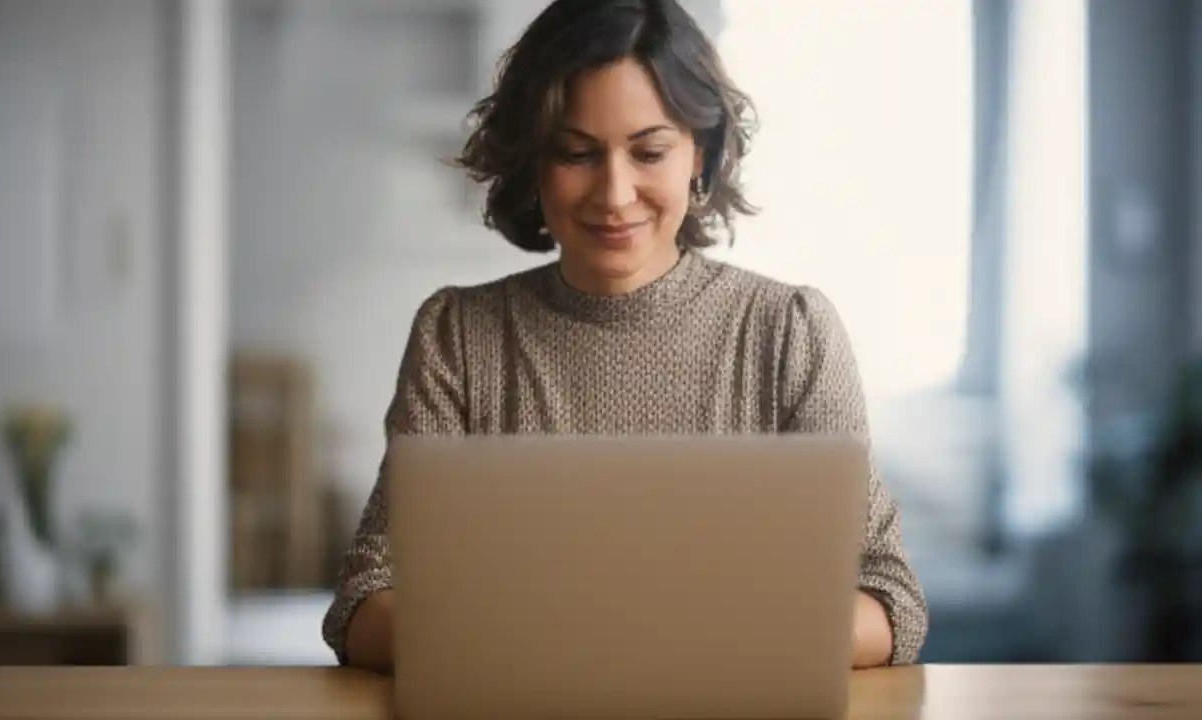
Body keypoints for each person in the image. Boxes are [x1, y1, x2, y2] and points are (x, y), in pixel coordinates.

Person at [321, 0, 928, 673]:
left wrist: (662, 643)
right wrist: (583, 646)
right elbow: (364, 603)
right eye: (577, 153)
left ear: (701, 152)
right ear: (534, 164)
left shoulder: (790, 333)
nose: (614, 194)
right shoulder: (459, 338)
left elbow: (889, 603)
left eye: (650, 151)